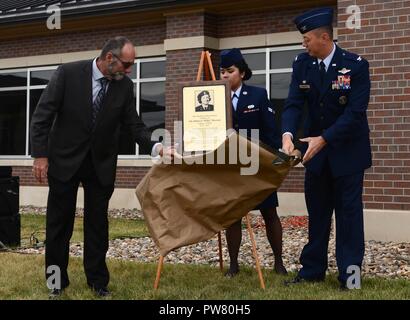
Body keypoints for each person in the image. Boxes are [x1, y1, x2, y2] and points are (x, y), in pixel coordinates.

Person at [30, 36, 171, 298]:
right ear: (109, 58)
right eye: (126, 65)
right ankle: (55, 282)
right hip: (64, 161)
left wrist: (157, 147)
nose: (130, 71)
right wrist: (40, 156)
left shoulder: (124, 86)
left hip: (100, 165)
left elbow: (134, 125)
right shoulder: (68, 74)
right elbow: (42, 116)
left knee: (97, 225)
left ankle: (97, 281)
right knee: (59, 224)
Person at [281, 8, 371, 289]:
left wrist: (324, 139)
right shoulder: (302, 64)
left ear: (324, 37)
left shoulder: (355, 65)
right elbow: (294, 103)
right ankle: (312, 272)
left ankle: (351, 278)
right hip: (315, 157)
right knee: (318, 216)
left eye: (306, 39)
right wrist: (287, 135)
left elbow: (355, 113)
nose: (303, 44)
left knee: (349, 218)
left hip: (348, 154)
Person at [220, 48, 287, 277]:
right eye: (222, 72)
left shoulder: (258, 95)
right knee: (233, 216)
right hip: (230, 166)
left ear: (242, 73)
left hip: (258, 165)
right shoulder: (215, 98)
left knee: (269, 213)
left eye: (230, 71)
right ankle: (233, 265)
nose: (225, 76)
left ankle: (279, 263)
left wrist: (273, 162)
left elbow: (270, 131)